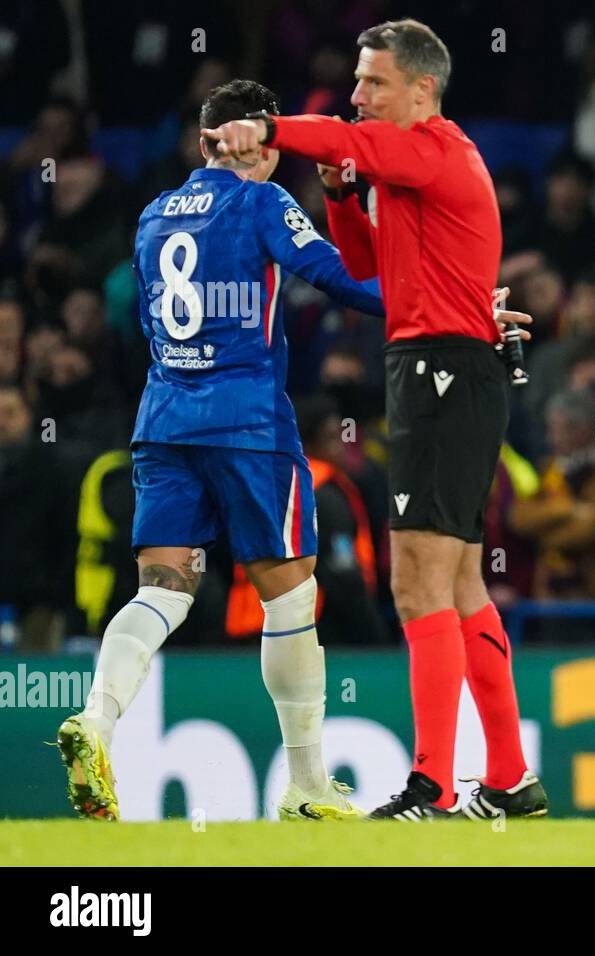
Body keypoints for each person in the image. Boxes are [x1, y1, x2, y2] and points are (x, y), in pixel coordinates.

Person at [203, 18, 547, 821]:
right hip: (443, 371)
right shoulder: (411, 171)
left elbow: (330, 135)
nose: (358, 97)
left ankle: (431, 782)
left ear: (422, 90)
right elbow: (362, 265)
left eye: (374, 83)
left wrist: (272, 129)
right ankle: (507, 777)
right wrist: (341, 198)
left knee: (416, 580)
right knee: (459, 584)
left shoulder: (432, 148)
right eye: (357, 82)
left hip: (441, 372)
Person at [56, 79, 385, 821]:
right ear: (237, 144)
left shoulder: (150, 217)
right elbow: (345, 281)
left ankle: (97, 722)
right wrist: (452, 311)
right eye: (266, 143)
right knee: (291, 594)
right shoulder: (261, 202)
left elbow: (142, 326)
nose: (273, 158)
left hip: (164, 418)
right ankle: (305, 784)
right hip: (248, 427)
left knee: (163, 588)